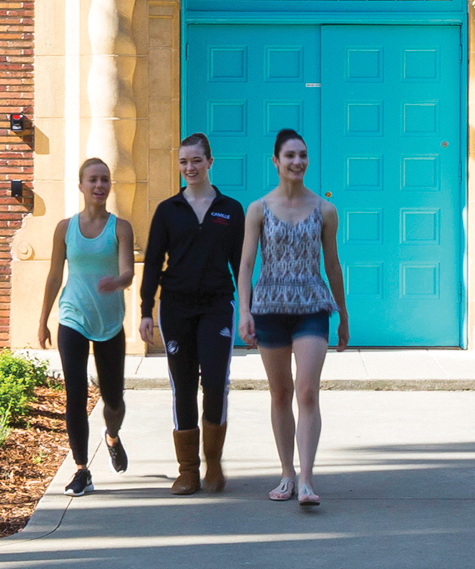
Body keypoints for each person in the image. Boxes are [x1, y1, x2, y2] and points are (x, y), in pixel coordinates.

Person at [241, 127, 349, 508]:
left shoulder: (324, 210)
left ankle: (306, 480)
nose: (297, 162)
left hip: (312, 307)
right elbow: (246, 264)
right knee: (280, 393)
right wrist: (244, 311)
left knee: (306, 390)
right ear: (275, 161)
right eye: (289, 155)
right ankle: (286, 472)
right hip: (269, 308)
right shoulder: (258, 209)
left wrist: (343, 314)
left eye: (302, 155)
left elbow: (333, 266)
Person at [139, 131, 247, 494]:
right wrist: (144, 309)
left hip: (217, 306)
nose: (190, 167)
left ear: (210, 162)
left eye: (197, 160)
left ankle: (213, 464)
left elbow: (242, 264)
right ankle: (188, 469)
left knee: (215, 383)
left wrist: (246, 308)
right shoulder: (168, 211)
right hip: (176, 308)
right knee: (182, 387)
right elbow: (153, 262)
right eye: (184, 162)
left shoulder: (231, 210)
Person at [32, 155, 137, 495]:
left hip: (109, 322)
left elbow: (128, 272)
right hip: (72, 317)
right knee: (74, 394)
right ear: (80, 186)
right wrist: (43, 320)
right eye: (92, 179)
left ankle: (112, 436)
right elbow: (53, 276)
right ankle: (81, 469)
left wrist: (117, 282)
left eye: (104, 180)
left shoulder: (120, 227)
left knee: (114, 401)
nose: (99, 185)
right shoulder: (65, 228)